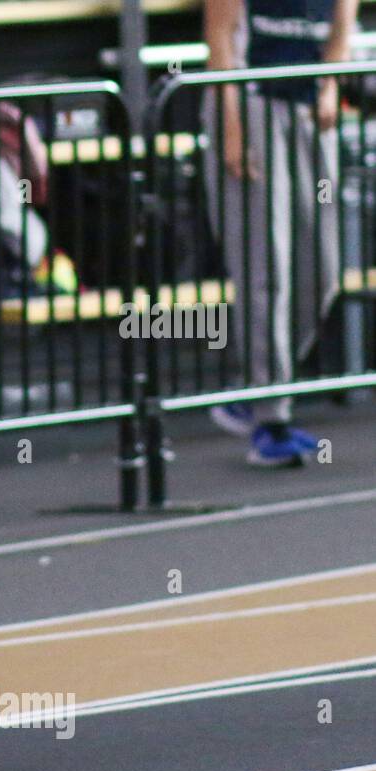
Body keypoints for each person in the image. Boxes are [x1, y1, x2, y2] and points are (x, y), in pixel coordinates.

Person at [203, 0, 356, 466]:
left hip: (309, 113)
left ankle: (257, 387)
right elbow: (221, 39)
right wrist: (230, 125)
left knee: (323, 270)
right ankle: (272, 422)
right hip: (251, 107)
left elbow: (340, 37)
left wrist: (330, 87)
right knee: (265, 269)